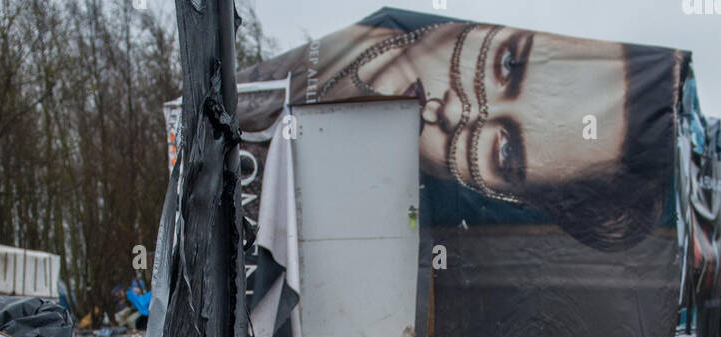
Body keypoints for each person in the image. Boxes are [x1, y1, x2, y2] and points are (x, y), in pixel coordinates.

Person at [239, 15, 672, 251]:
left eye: (504, 152)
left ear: (507, 195)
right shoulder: (241, 96)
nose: (450, 108)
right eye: (507, 65)